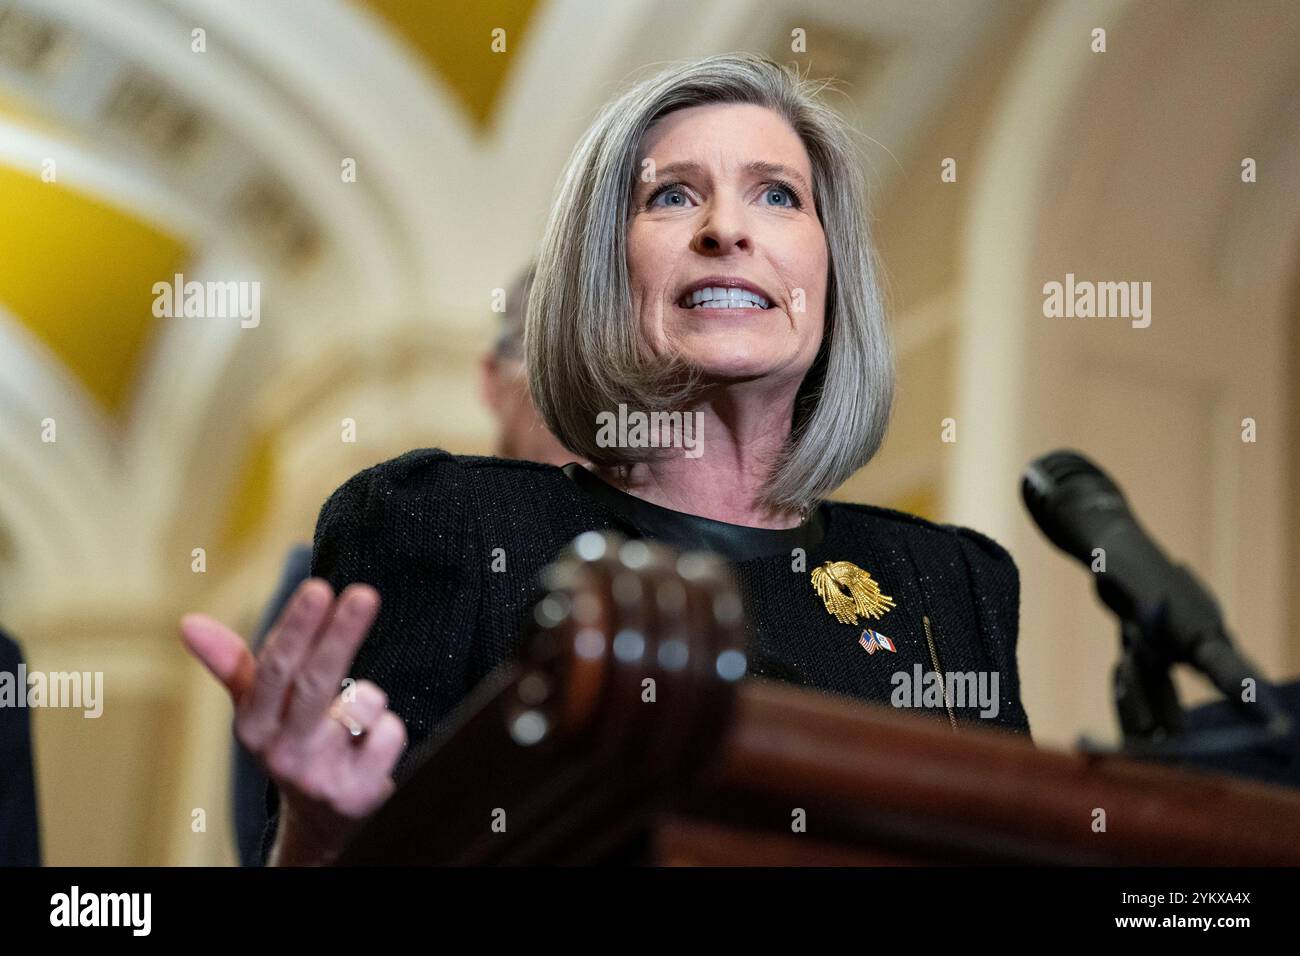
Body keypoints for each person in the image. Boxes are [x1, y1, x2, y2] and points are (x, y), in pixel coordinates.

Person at [181, 53, 1031, 867]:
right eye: (670, 197)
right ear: (602, 272)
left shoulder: (944, 584)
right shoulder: (448, 529)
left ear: (831, 267)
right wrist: (322, 832)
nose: (726, 230)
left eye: (777, 195)